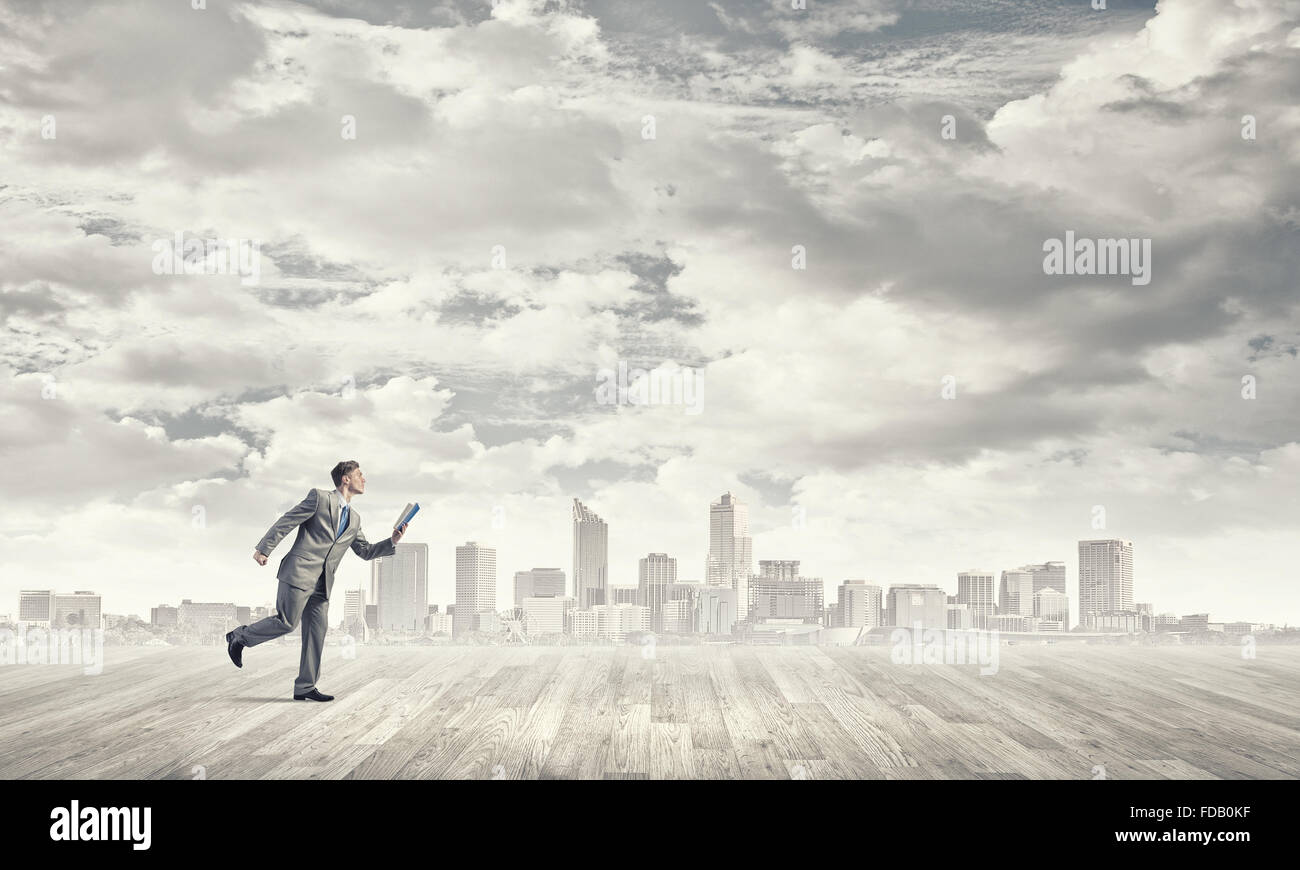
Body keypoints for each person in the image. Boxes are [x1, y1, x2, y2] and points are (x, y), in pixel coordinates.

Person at [225, 460, 407, 700]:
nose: (364, 479)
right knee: (287, 622)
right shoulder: (320, 498)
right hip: (298, 572)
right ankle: (239, 636)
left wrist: (392, 541)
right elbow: (287, 521)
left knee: (316, 633)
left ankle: (305, 687)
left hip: (323, 583)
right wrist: (264, 548)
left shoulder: (355, 519)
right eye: (360, 474)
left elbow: (364, 551)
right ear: (345, 479)